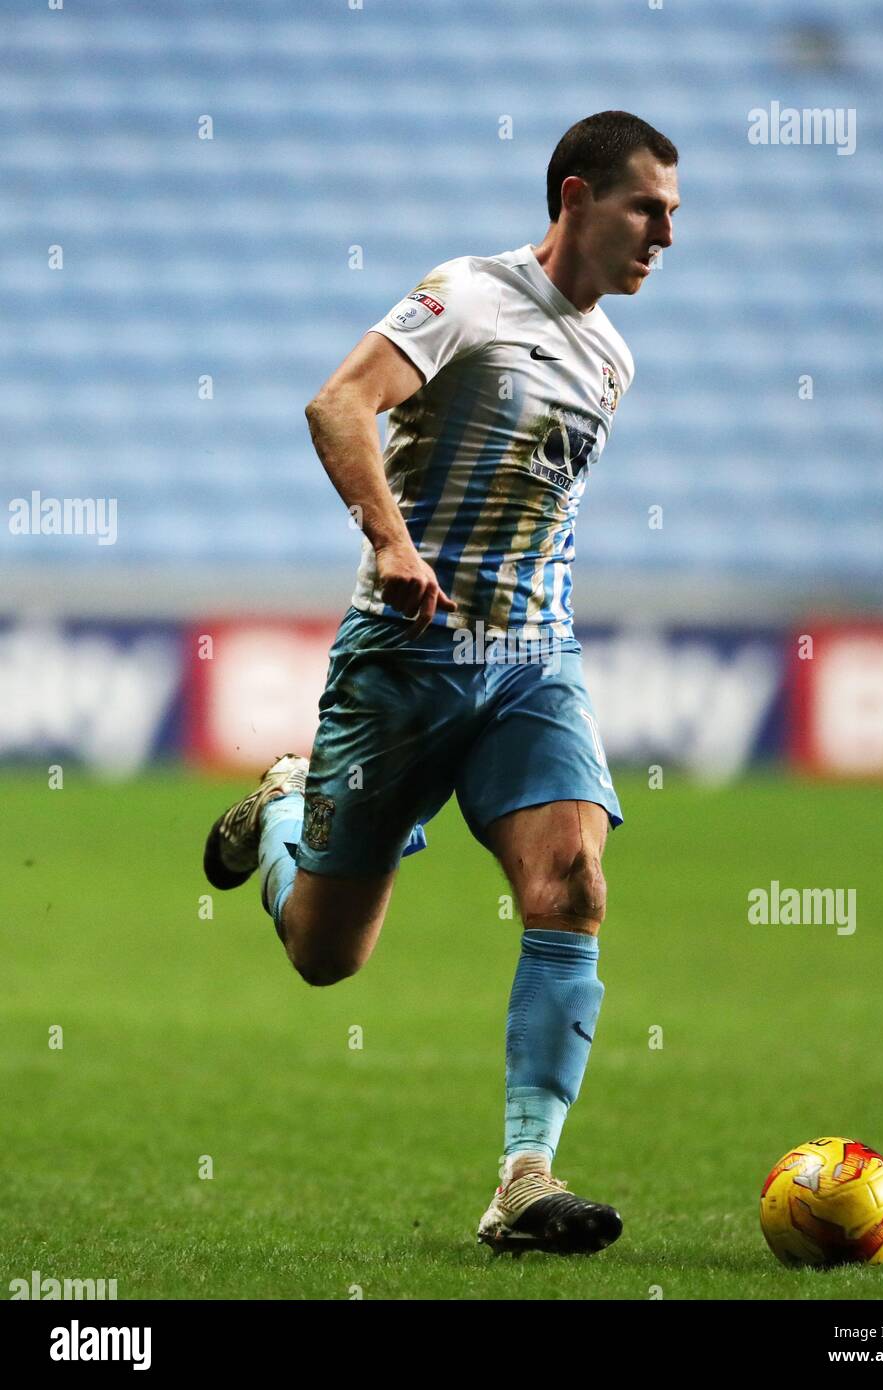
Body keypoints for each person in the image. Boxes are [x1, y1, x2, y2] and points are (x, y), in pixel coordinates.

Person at [203, 110, 679, 1256]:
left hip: (530, 663)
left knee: (570, 885)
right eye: (645, 208)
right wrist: (389, 540)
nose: (663, 234)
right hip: (403, 662)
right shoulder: (466, 296)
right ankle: (282, 806)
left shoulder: (612, 358)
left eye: (673, 215)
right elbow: (337, 403)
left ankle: (524, 1178)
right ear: (574, 196)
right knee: (328, 954)